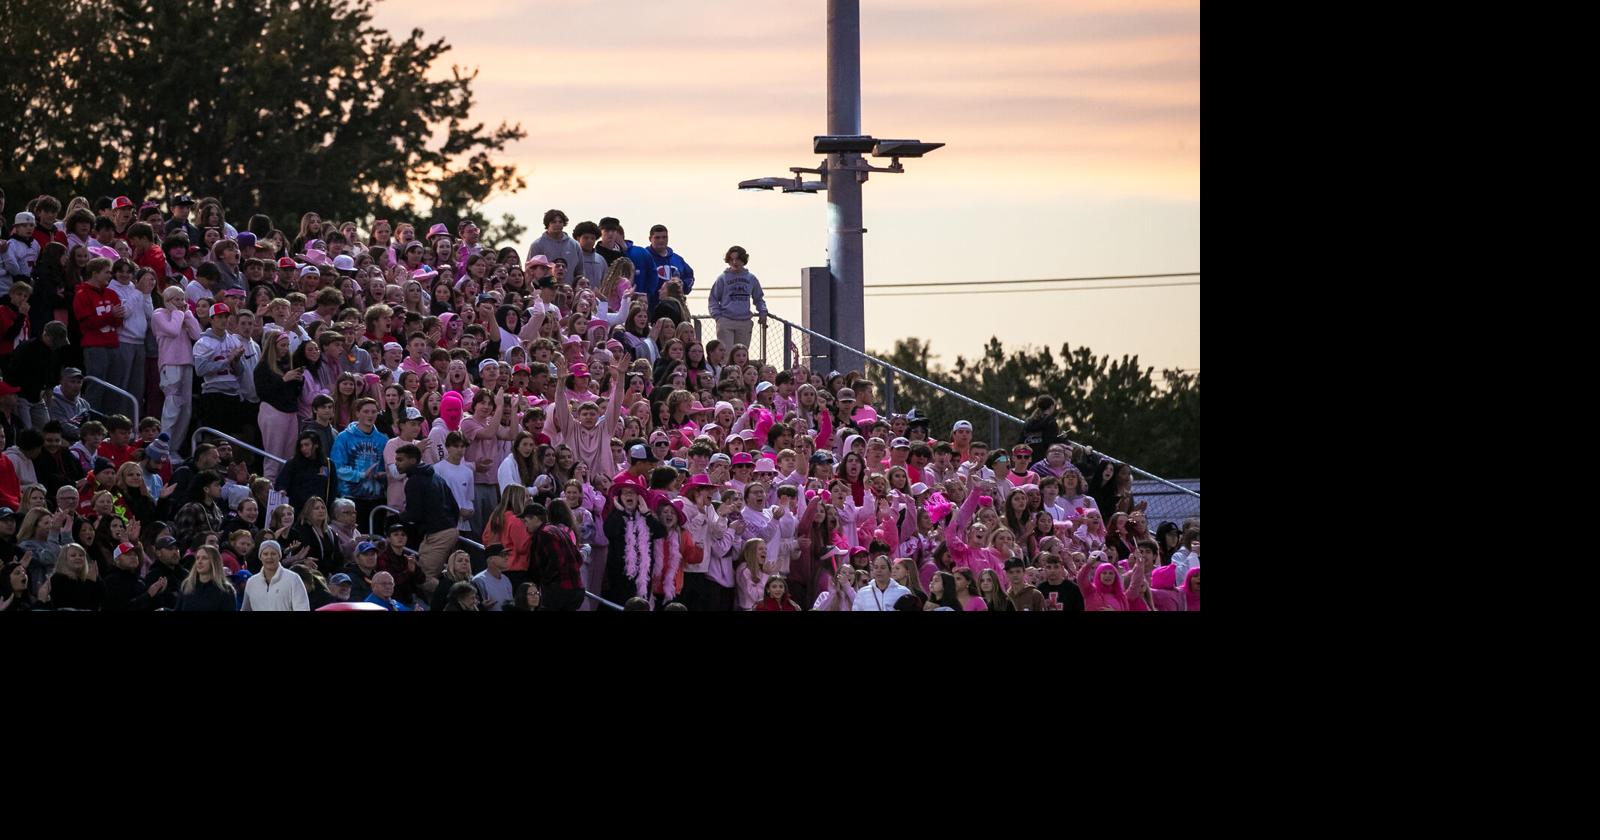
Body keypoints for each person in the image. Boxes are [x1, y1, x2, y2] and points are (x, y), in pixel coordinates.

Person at [191, 303, 249, 450]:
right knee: (212, 438)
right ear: (211, 319)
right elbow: (200, 369)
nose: (223, 320)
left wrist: (235, 361)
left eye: (226, 316)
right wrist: (227, 360)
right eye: (219, 317)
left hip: (233, 393)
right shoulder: (203, 342)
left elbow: (240, 371)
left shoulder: (234, 340)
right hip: (213, 394)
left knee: (233, 438)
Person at [330, 397, 388, 525]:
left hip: (376, 497)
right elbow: (337, 467)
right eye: (366, 411)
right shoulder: (344, 437)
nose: (370, 415)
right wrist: (361, 475)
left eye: (374, 412)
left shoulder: (383, 440)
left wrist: (383, 475)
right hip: (350, 498)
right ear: (357, 413)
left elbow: (386, 468)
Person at [239, 539, 310, 610]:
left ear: (279, 556)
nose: (269, 557)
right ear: (260, 557)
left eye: (273, 554)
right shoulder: (251, 582)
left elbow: (302, 608)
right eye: (265, 554)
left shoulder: (293, 579)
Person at [174, 545, 237, 611]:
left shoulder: (225, 590)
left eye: (204, 558)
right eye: (197, 558)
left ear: (214, 562)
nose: (199, 562)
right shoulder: (187, 585)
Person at [472, 543, 515, 611]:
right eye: (502, 555)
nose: (507, 557)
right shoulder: (479, 580)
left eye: (507, 554)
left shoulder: (506, 580)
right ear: (490, 559)